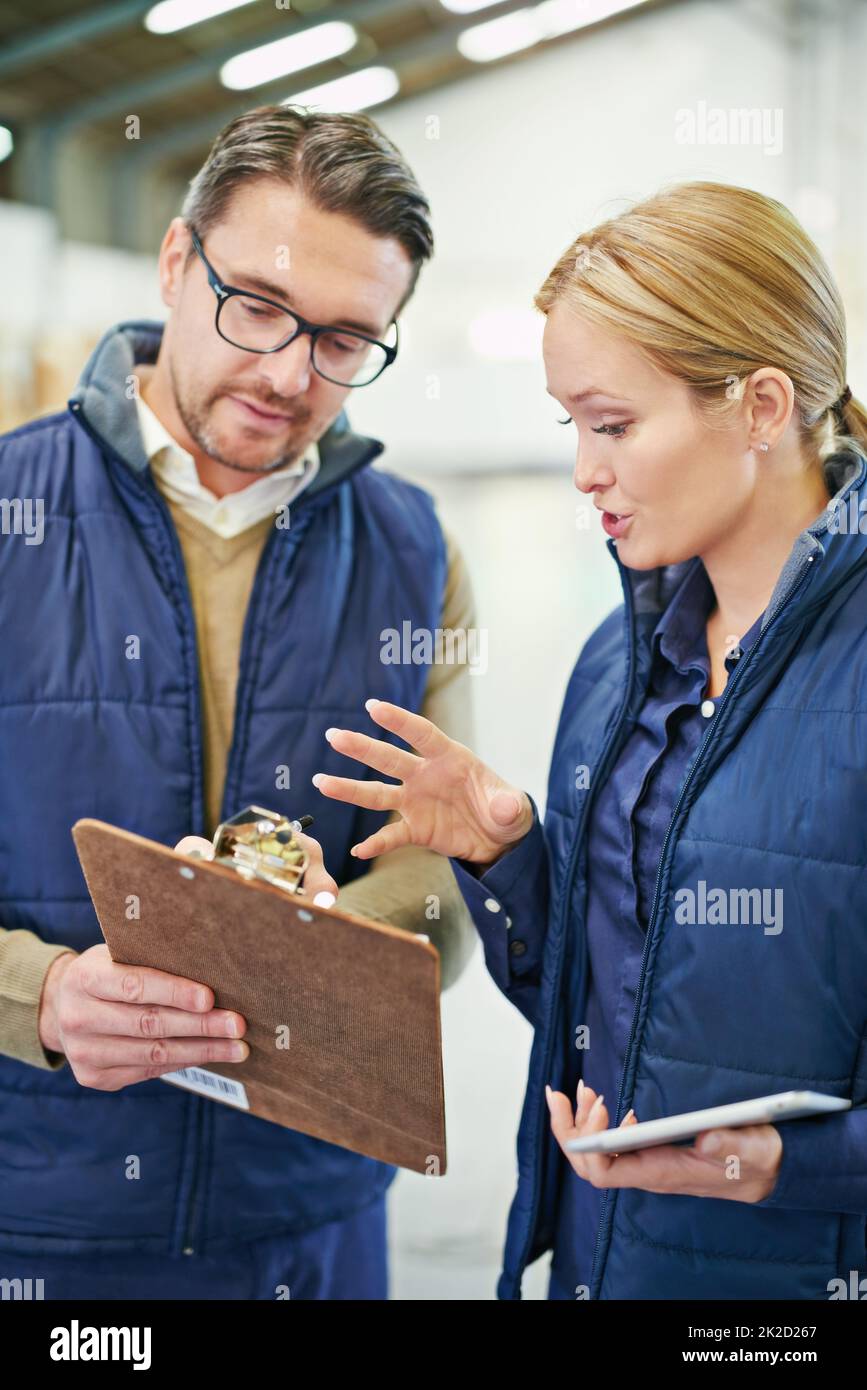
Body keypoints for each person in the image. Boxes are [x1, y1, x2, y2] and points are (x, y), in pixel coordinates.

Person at [312, 181, 867, 1300]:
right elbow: (615, 1004)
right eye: (571, 424)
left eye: (611, 424)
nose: (584, 470)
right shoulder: (622, 666)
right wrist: (509, 855)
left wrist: (792, 1165)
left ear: (763, 406)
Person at [0, 104, 477, 1300]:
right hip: (41, 1231)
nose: (285, 373)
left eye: (344, 339)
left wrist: (345, 938)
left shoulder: (416, 553)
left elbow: (442, 877)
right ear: (175, 260)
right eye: (255, 305)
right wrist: (40, 995)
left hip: (309, 1224)